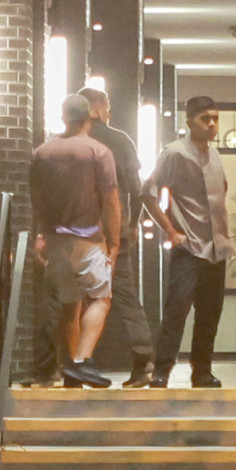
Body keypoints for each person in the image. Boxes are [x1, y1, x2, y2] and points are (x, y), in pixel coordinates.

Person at [28, 92, 122, 389]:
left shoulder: (42, 153)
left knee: (69, 305)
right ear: (89, 118)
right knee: (100, 298)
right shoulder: (98, 151)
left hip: (56, 239)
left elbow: (36, 200)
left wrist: (41, 235)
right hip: (89, 238)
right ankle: (81, 361)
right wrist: (114, 239)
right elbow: (111, 201)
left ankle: (69, 368)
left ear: (63, 117)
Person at [143, 95, 234, 389]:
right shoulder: (175, 153)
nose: (211, 124)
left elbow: (221, 191)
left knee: (210, 314)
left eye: (215, 118)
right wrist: (170, 229)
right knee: (177, 311)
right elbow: (148, 193)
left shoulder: (216, 154)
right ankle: (162, 371)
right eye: (205, 119)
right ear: (189, 121)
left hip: (217, 247)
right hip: (189, 246)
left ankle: (202, 371)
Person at [81, 86, 157, 389]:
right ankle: (143, 359)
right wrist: (132, 223)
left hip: (77, 230)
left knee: (72, 298)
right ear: (99, 107)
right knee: (124, 294)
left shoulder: (71, 141)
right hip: (115, 231)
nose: (110, 111)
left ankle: (70, 364)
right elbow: (135, 187)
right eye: (108, 106)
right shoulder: (120, 140)